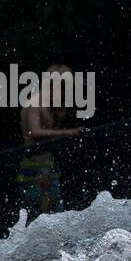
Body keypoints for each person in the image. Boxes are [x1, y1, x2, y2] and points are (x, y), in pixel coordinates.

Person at [18, 64, 83, 218]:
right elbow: (33, 131)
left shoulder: (50, 104)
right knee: (39, 218)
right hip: (33, 169)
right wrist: (64, 132)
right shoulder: (35, 102)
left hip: (48, 167)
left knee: (56, 216)